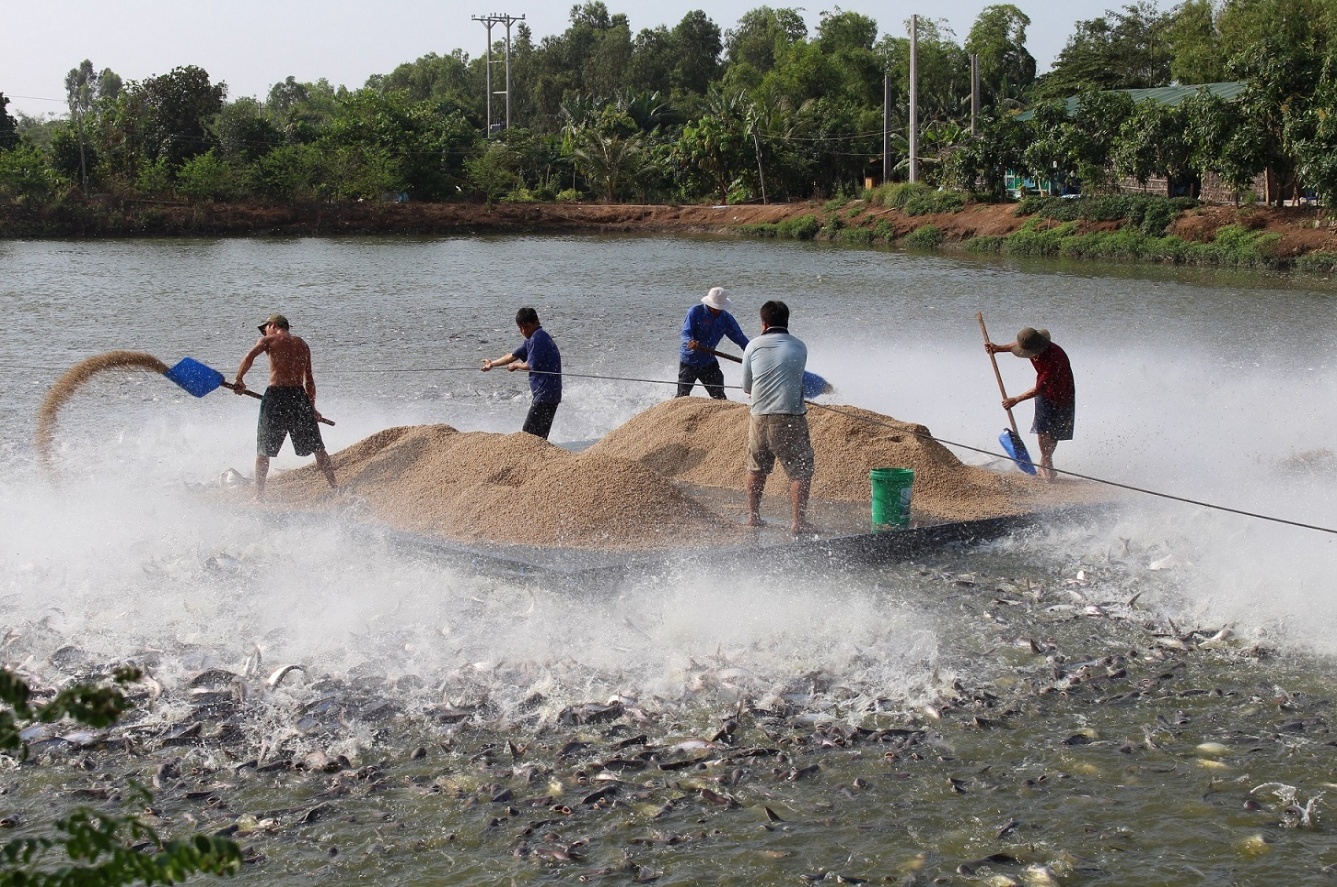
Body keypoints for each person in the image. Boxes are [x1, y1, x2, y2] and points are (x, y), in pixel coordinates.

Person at [233, 313, 336, 498]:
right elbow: (309, 380)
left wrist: (239, 379)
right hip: (299, 396)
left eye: (266, 327)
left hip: (275, 396)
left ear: (273, 325)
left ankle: (259, 496)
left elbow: (249, 357)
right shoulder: (302, 344)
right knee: (318, 448)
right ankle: (335, 488)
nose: (265, 330)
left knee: (263, 450)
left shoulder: (267, 340)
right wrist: (311, 407)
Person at [741, 300, 816, 536]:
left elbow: (746, 387)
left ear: (763, 324)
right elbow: (795, 376)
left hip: (759, 416)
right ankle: (798, 522)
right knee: (800, 470)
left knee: (757, 468)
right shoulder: (800, 347)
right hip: (789, 416)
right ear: (787, 321)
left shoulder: (752, 346)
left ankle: (753, 517)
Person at [986, 326, 1075, 482]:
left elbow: (1039, 389)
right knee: (1042, 430)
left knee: (1054, 433)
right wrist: (998, 348)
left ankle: (1046, 465)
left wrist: (1015, 400)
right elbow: (1018, 345)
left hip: (1062, 393)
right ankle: (1048, 466)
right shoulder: (1033, 344)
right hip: (1045, 393)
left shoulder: (1053, 360)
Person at [481, 307, 562, 440]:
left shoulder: (538, 337)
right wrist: (492, 364)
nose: (524, 331)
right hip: (546, 394)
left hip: (546, 394)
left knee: (529, 436)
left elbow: (530, 365)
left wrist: (516, 366)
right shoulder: (531, 339)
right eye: (521, 328)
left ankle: (538, 459)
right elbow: (513, 355)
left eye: (527, 327)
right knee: (537, 435)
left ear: (536, 322)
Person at [677, 286, 750, 399]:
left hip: (708, 361)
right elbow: (685, 333)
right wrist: (691, 342)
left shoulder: (726, 319)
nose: (717, 310)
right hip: (689, 360)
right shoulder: (695, 312)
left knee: (719, 397)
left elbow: (740, 339)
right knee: (682, 396)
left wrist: (751, 352)